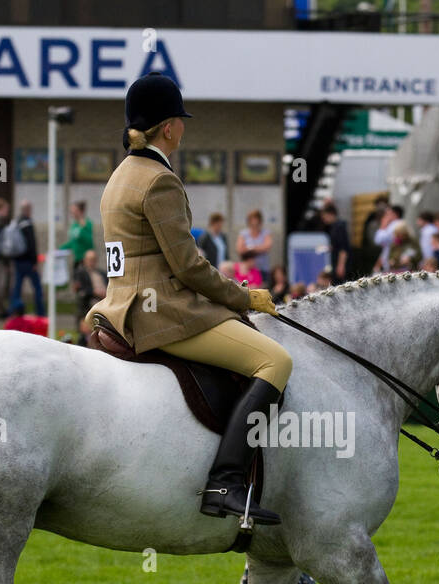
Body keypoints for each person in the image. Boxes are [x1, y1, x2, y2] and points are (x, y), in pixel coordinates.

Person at [86, 72, 291, 525]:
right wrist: (243, 298)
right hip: (159, 314)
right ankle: (226, 481)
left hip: (117, 306)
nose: (184, 126)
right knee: (275, 363)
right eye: (181, 118)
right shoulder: (159, 180)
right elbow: (188, 267)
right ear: (169, 127)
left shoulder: (120, 175)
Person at [5, 200, 44, 315]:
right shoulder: (27, 223)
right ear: (29, 210)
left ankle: (14, 311)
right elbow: (31, 243)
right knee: (37, 288)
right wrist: (34, 261)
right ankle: (40, 312)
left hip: (17, 261)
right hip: (28, 261)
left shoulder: (15, 222)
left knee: (17, 289)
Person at [319, 200, 350, 282]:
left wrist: (341, 265)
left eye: (324, 217)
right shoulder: (333, 227)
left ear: (330, 214)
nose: (324, 220)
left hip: (339, 262)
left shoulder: (339, 227)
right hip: (336, 260)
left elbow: (343, 248)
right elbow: (336, 245)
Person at [72, 248, 107, 321]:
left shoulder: (102, 273)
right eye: (90, 259)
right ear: (85, 260)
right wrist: (95, 292)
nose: (92, 262)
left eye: (94, 259)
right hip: (90, 302)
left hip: (105, 300)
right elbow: (80, 289)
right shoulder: (81, 273)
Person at [237, 209, 273, 273]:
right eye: (252, 219)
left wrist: (250, 248)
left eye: (256, 219)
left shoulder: (266, 233)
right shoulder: (243, 233)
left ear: (260, 221)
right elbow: (240, 249)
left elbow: (267, 246)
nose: (254, 222)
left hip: (262, 268)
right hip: (247, 269)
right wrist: (259, 249)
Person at [61, 199, 95, 265]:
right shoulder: (74, 225)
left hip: (85, 259)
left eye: (75, 210)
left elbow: (89, 241)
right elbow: (72, 242)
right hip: (77, 258)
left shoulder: (87, 224)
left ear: (80, 211)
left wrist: (83, 229)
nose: (72, 212)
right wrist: (60, 249)